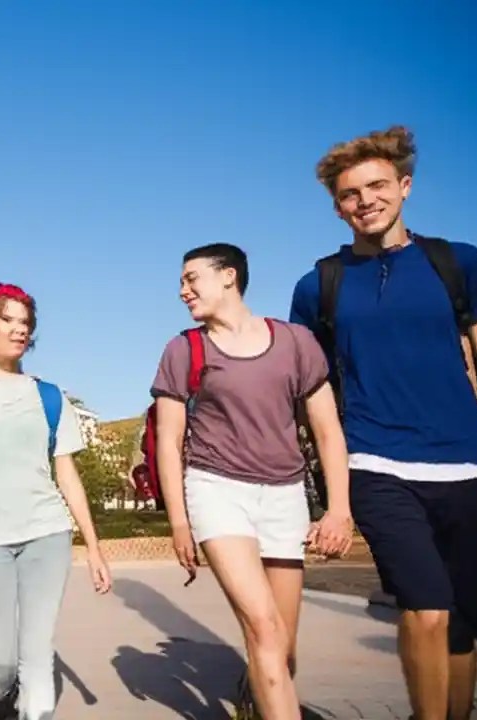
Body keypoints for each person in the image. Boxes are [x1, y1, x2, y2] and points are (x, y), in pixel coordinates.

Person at [290, 126, 477, 720]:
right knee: (426, 607)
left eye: (377, 185)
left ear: (404, 187)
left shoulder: (458, 262)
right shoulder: (318, 287)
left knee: (462, 621)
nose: (366, 200)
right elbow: (310, 388)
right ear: (337, 206)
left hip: (469, 462)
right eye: (351, 193)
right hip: (378, 462)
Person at [152, 243, 354, 720]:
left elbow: (327, 429)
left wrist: (339, 507)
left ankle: (253, 698)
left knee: (282, 648)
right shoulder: (184, 349)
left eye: (190, 278)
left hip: (285, 496)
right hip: (217, 490)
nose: (182, 290)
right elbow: (168, 440)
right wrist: (179, 520)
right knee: (263, 627)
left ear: (228, 277)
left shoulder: (296, 342)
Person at [0, 283, 112, 720]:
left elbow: (66, 475)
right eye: (8, 320)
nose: (18, 330)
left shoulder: (50, 396)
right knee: (0, 662)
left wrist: (93, 547)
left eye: (25, 323)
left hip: (46, 536)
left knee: (37, 656)